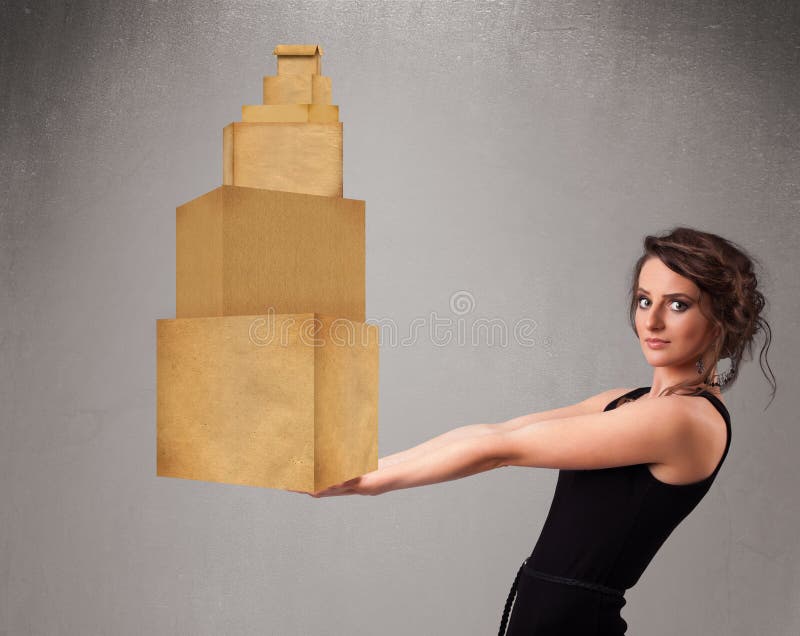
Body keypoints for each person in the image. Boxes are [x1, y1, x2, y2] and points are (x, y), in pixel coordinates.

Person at [291, 226, 776, 635]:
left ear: (720, 319)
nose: (650, 319)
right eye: (644, 299)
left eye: (677, 305)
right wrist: (359, 470)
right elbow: (494, 431)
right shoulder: (624, 403)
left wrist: (366, 483)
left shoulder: (684, 420)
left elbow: (501, 450)